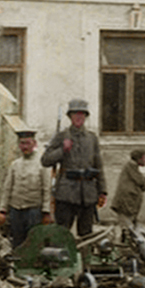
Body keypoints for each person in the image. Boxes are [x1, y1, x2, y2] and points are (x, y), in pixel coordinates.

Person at [40, 99, 107, 237]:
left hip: (88, 194)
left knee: (87, 234)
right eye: (75, 113)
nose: (79, 117)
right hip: (66, 193)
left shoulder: (92, 138)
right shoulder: (61, 136)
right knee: (62, 233)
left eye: (82, 114)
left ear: (86, 116)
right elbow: (45, 160)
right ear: (70, 116)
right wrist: (62, 150)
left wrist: (103, 190)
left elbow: (98, 165)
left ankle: (85, 252)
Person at [0, 130, 52, 248]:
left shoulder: (42, 164)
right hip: (16, 211)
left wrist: (46, 212)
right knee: (17, 242)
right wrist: (2, 210)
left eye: (27, 143)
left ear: (34, 143)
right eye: (22, 143)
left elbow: (47, 189)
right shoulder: (15, 165)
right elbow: (7, 189)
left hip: (34, 211)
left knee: (34, 243)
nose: (25, 147)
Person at [110, 149, 145, 227]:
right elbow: (142, 183)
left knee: (128, 227)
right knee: (127, 228)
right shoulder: (131, 167)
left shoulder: (131, 167)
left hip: (128, 205)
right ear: (139, 159)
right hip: (126, 205)